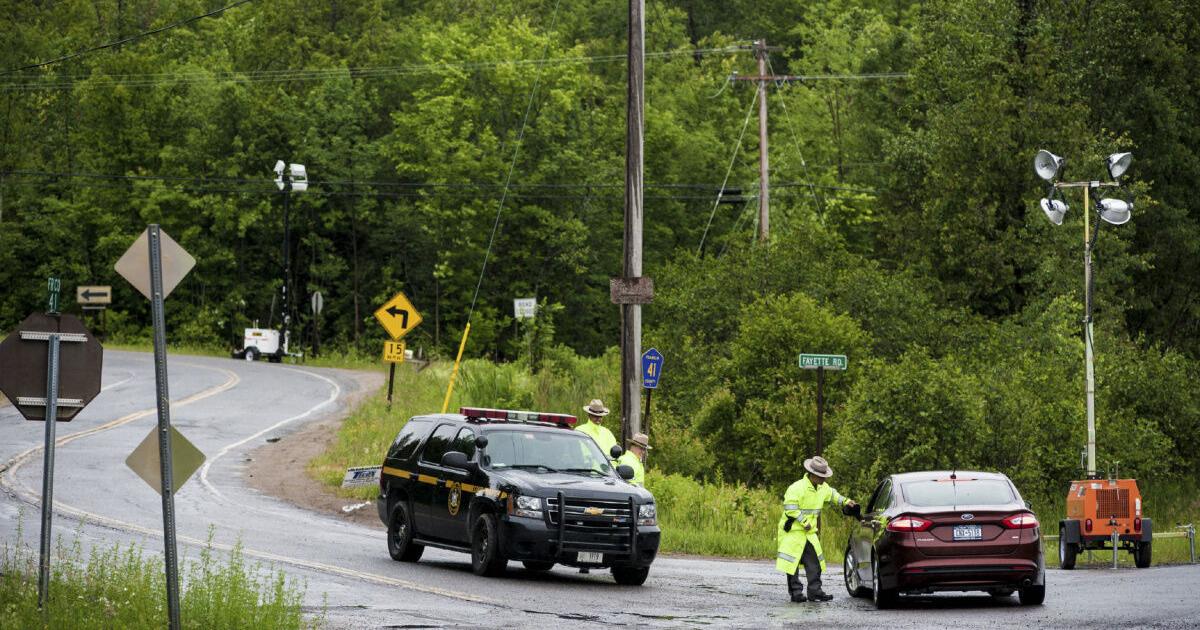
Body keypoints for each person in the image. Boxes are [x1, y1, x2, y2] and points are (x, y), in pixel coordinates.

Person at [776, 455, 858, 603]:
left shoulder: (822, 487)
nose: (824, 479)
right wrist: (804, 521)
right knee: (791, 563)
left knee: (814, 562)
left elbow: (834, 495)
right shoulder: (796, 488)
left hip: (808, 532)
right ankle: (796, 593)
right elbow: (790, 508)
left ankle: (815, 592)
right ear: (812, 474)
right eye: (821, 476)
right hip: (792, 532)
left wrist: (847, 501)